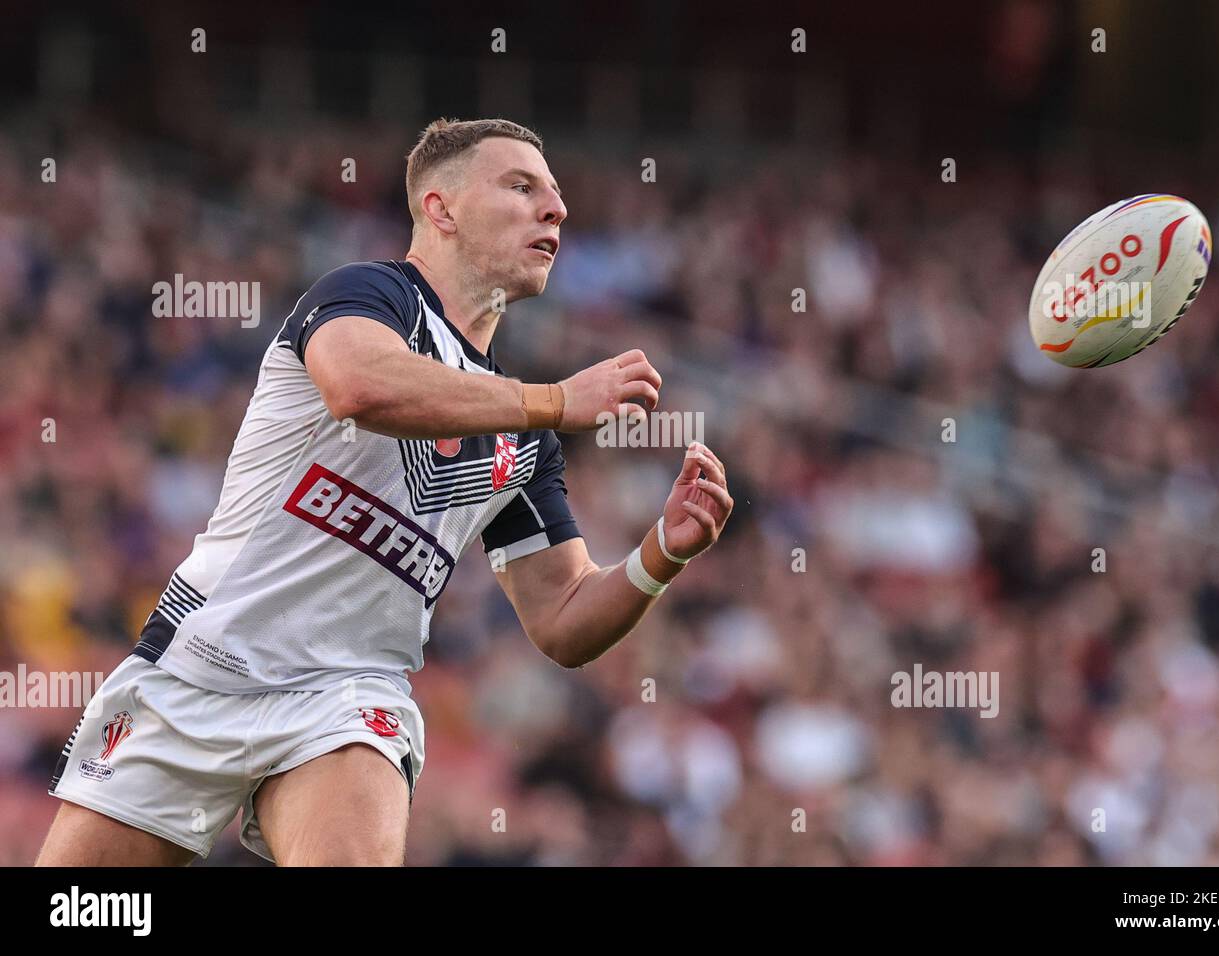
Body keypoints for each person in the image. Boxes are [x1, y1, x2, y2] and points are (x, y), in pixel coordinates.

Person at [35, 117, 733, 866]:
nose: (556, 209)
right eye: (522, 186)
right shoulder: (372, 295)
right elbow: (359, 385)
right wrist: (559, 399)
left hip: (345, 696)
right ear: (440, 208)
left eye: (557, 195)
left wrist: (661, 553)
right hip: (199, 666)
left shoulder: (521, 434)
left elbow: (563, 620)